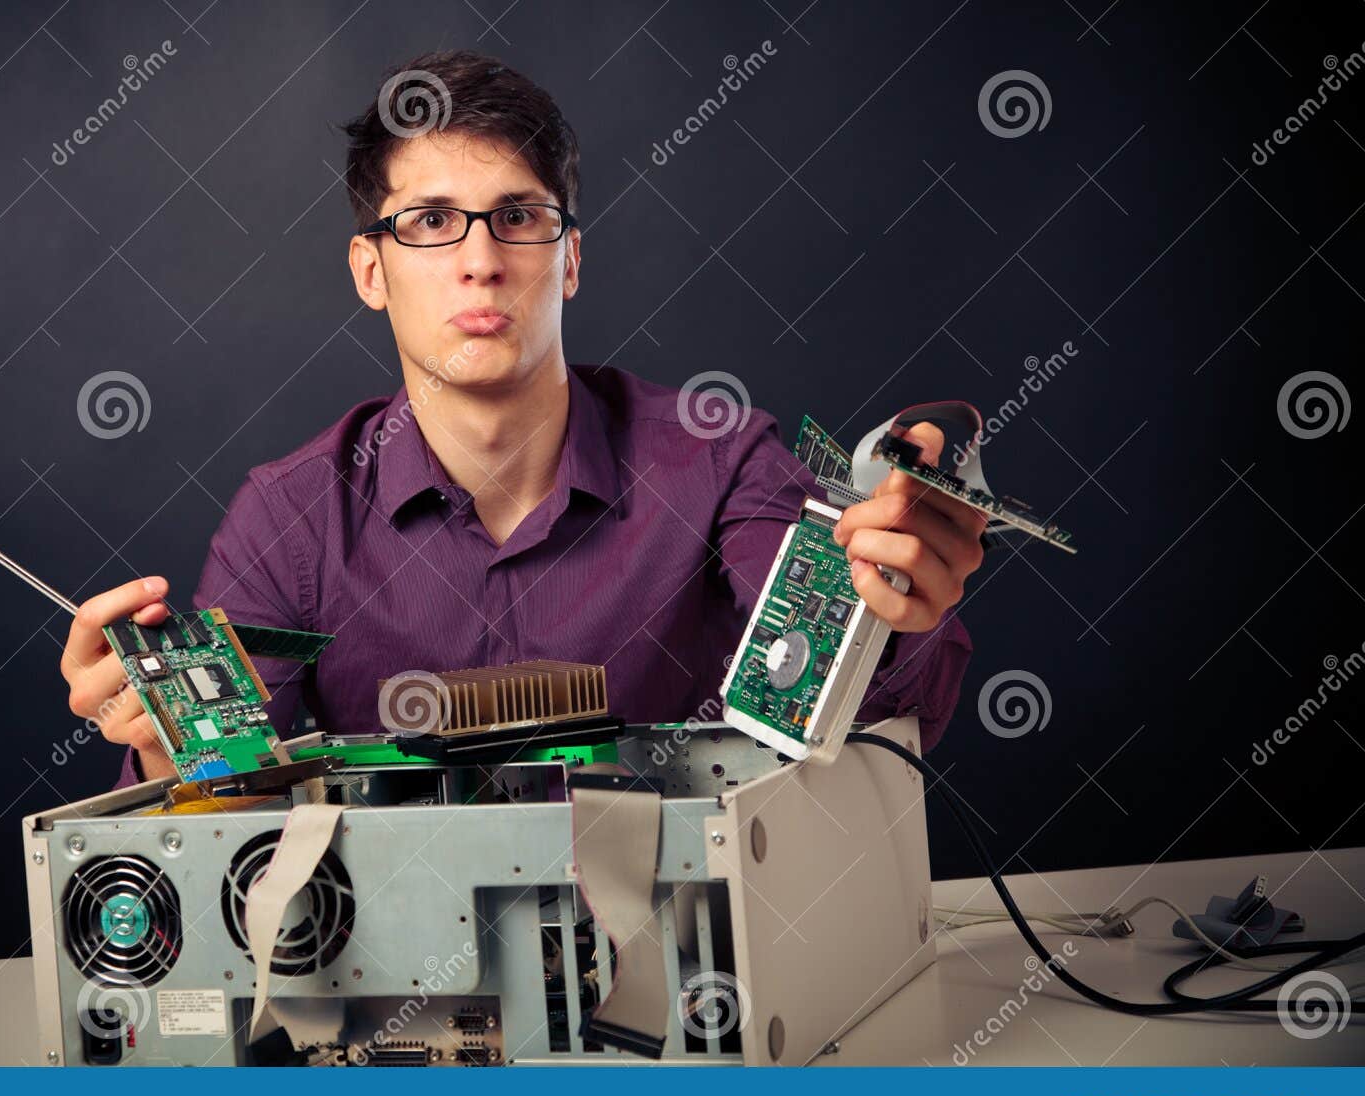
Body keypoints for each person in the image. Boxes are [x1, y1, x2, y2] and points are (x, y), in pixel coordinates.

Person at [58, 50, 984, 789]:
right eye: (428, 221)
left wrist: (891, 613)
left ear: (569, 259)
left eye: (517, 217)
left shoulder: (721, 462)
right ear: (369, 271)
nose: (480, 260)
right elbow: (229, 789)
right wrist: (167, 743)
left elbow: (854, 724)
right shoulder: (289, 517)